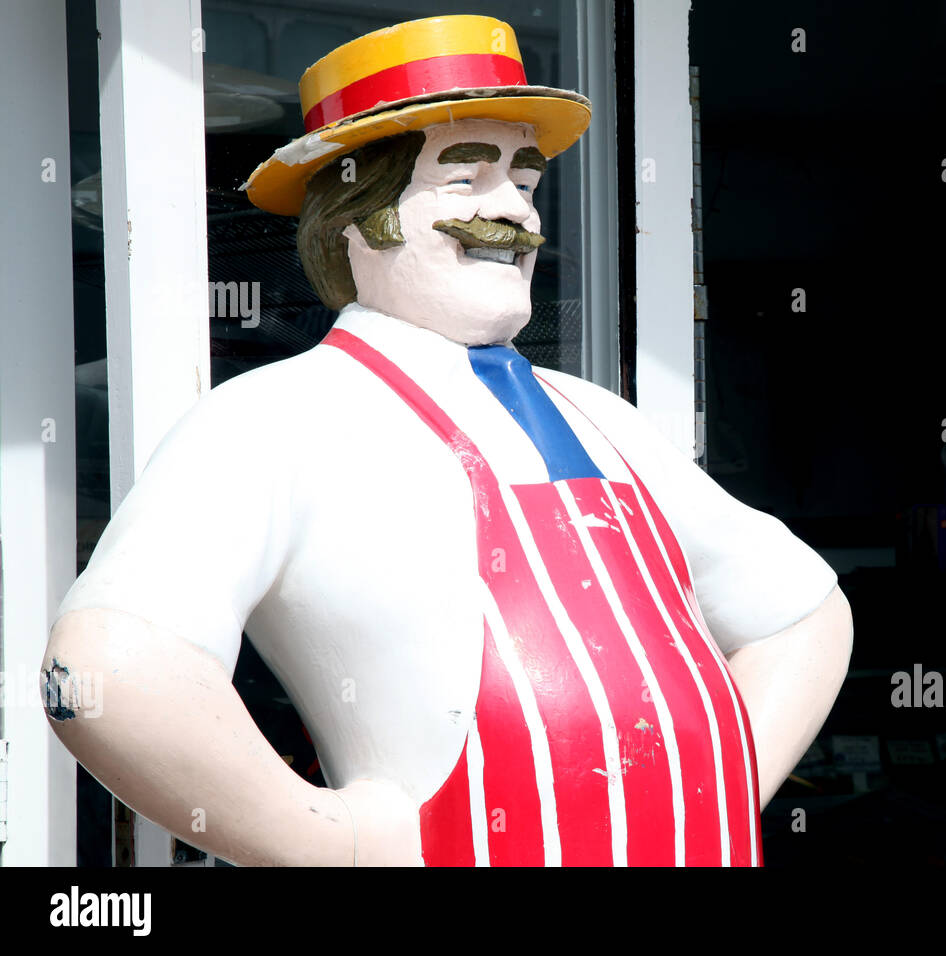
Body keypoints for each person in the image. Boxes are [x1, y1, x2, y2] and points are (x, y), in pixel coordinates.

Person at [44, 14, 852, 866]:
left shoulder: (603, 419)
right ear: (355, 216)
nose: (512, 210)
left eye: (524, 182)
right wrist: (331, 842)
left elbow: (801, 614)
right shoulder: (277, 419)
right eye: (464, 178)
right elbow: (106, 673)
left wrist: (714, 790)